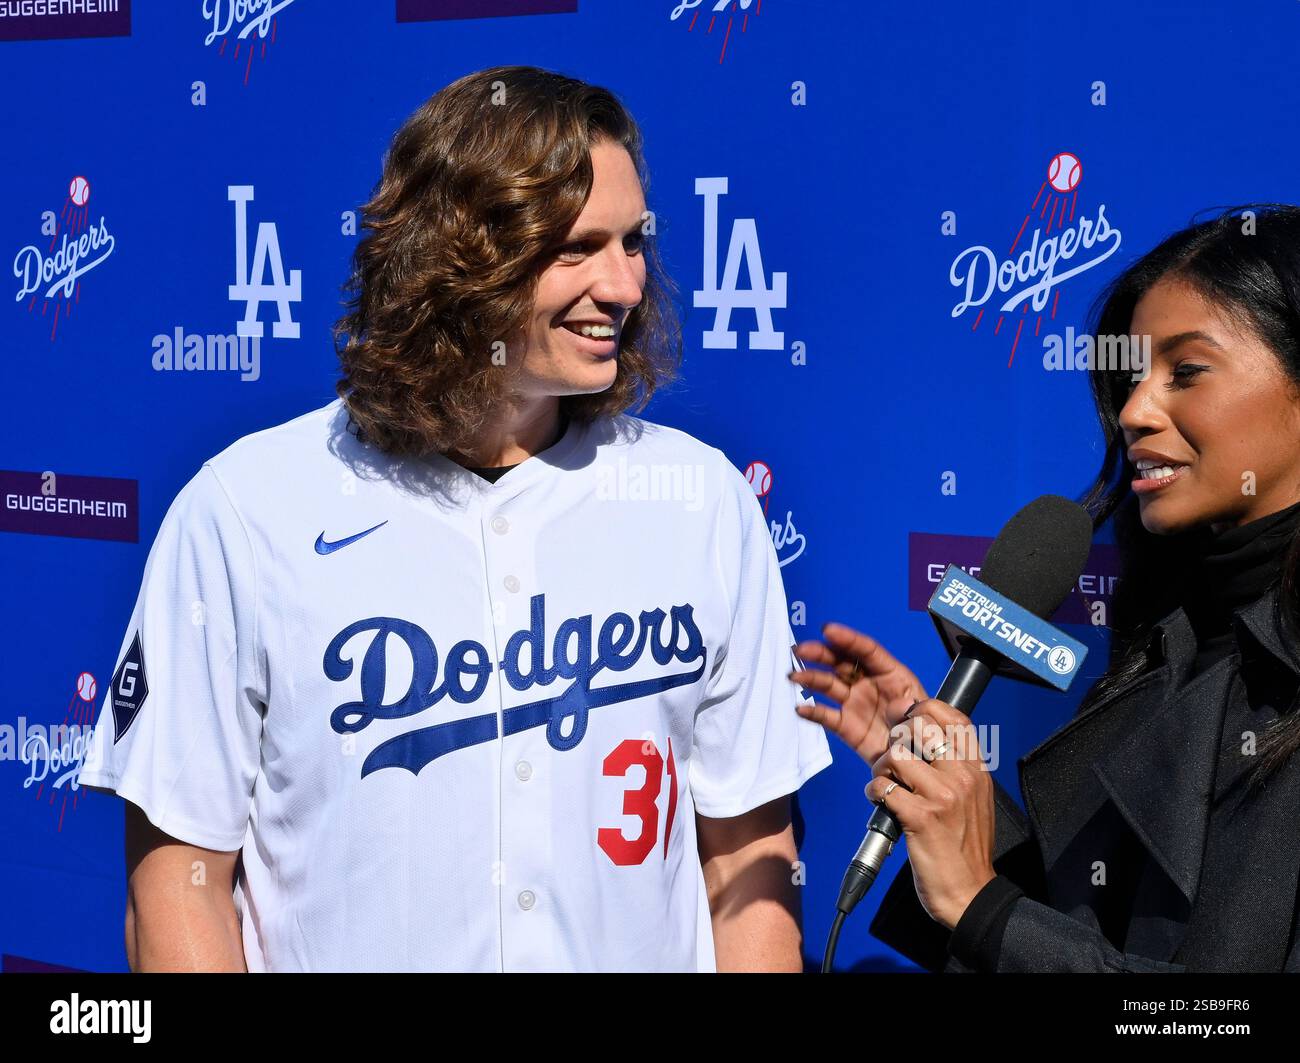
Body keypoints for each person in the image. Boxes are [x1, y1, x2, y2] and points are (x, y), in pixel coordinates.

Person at [80, 65, 831, 973]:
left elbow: (749, 857)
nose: (625, 284)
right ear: (457, 257)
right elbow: (179, 880)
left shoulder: (700, 501)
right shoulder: (245, 510)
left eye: (634, 241)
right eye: (578, 247)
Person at [792, 203, 1300, 972]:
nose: (1134, 411)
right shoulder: (1177, 645)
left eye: (1185, 372)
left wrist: (983, 906)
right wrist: (949, 794)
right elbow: (1103, 930)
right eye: (1131, 379)